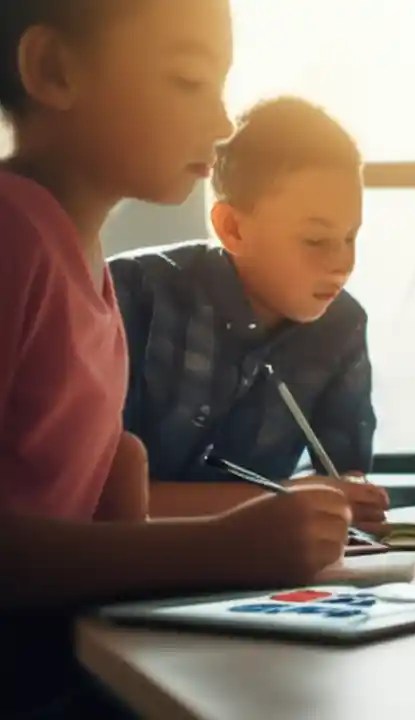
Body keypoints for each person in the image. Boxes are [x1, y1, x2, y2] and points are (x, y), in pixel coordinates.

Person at [0, 2, 350, 713]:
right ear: (54, 70)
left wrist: (120, 507)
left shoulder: (83, 263)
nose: (222, 124)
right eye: (190, 80)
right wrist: (218, 547)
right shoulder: (14, 234)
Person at [110, 97, 387, 525]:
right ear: (233, 228)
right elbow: (97, 502)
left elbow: (343, 477)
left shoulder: (342, 325)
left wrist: (351, 496)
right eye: (315, 240)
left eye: (351, 237)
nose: (342, 263)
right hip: (115, 572)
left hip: (263, 573)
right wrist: (284, 501)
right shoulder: (131, 296)